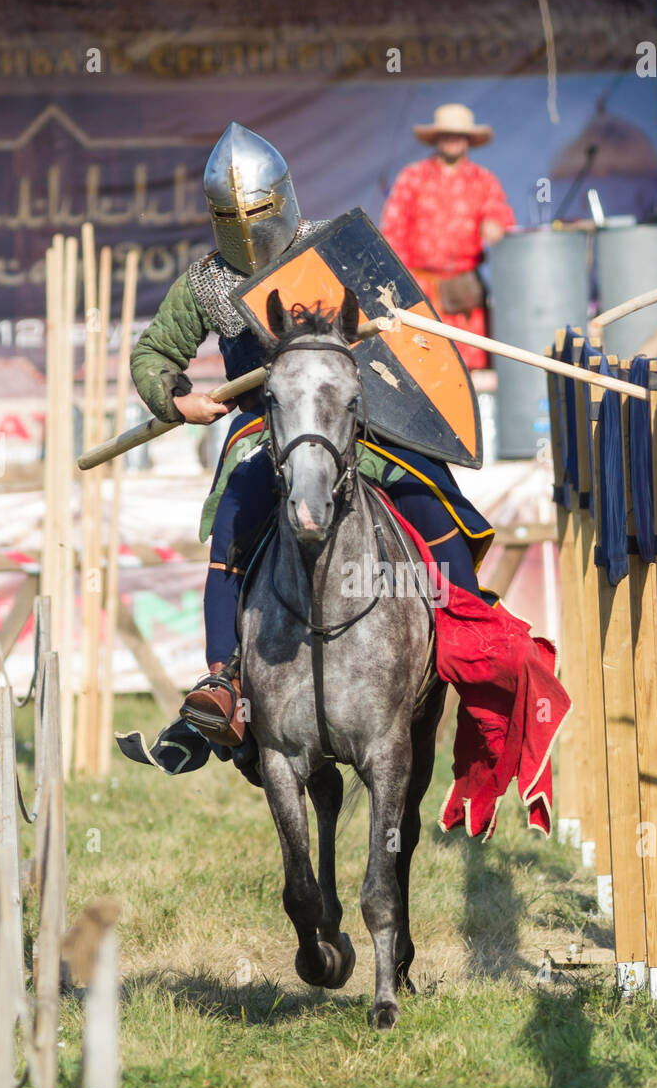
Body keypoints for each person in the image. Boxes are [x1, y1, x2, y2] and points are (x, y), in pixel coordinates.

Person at [129, 122, 493, 750]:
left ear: (283, 197)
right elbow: (155, 351)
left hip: (357, 420)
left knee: (429, 498)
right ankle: (225, 684)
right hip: (263, 425)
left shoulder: (329, 249)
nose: (246, 225)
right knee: (234, 517)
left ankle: (472, 640)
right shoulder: (207, 283)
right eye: (230, 214)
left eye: (258, 208)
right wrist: (177, 398)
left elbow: (402, 332)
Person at [380, 103, 515, 374]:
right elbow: (392, 230)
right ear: (437, 138)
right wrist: (401, 285)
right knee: (422, 365)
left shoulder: (483, 179)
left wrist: (494, 223)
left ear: (468, 140)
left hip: (464, 294)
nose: (453, 140)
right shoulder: (413, 177)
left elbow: (500, 214)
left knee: (470, 370)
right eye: (447, 134)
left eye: (459, 135)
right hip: (420, 290)